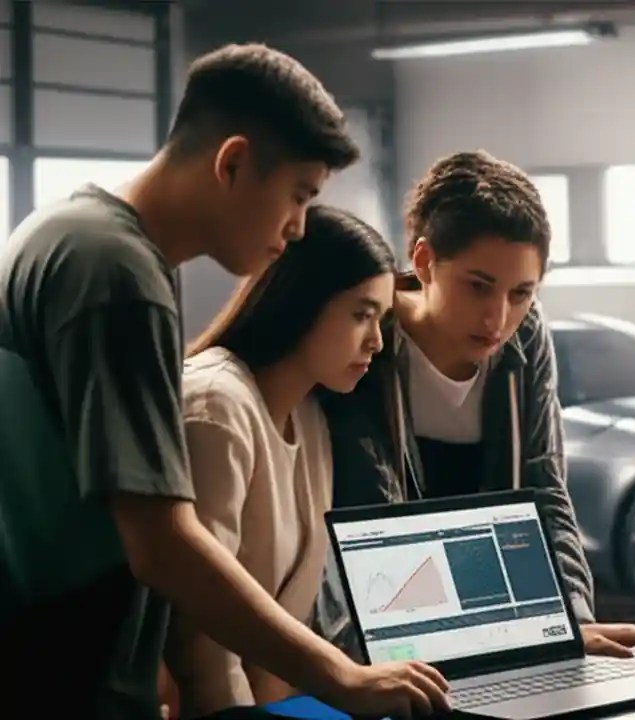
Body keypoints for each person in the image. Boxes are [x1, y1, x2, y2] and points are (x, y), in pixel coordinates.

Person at [0, 43, 447, 719]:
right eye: (298, 195)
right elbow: (161, 542)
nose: (297, 227)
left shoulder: (67, 233)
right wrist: (341, 677)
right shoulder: (118, 275)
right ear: (232, 162)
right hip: (63, 683)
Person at [317, 150, 635, 660]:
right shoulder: (366, 340)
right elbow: (355, 520)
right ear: (423, 261)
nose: (497, 318)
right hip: (380, 642)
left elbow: (545, 490)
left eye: (521, 293)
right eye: (478, 287)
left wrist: (570, 626)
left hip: (497, 629)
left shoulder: (526, 335)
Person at [164, 205, 404, 716]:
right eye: (361, 314)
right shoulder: (215, 406)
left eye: (381, 319)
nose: (377, 341)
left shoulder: (310, 414)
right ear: (303, 299)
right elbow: (201, 639)